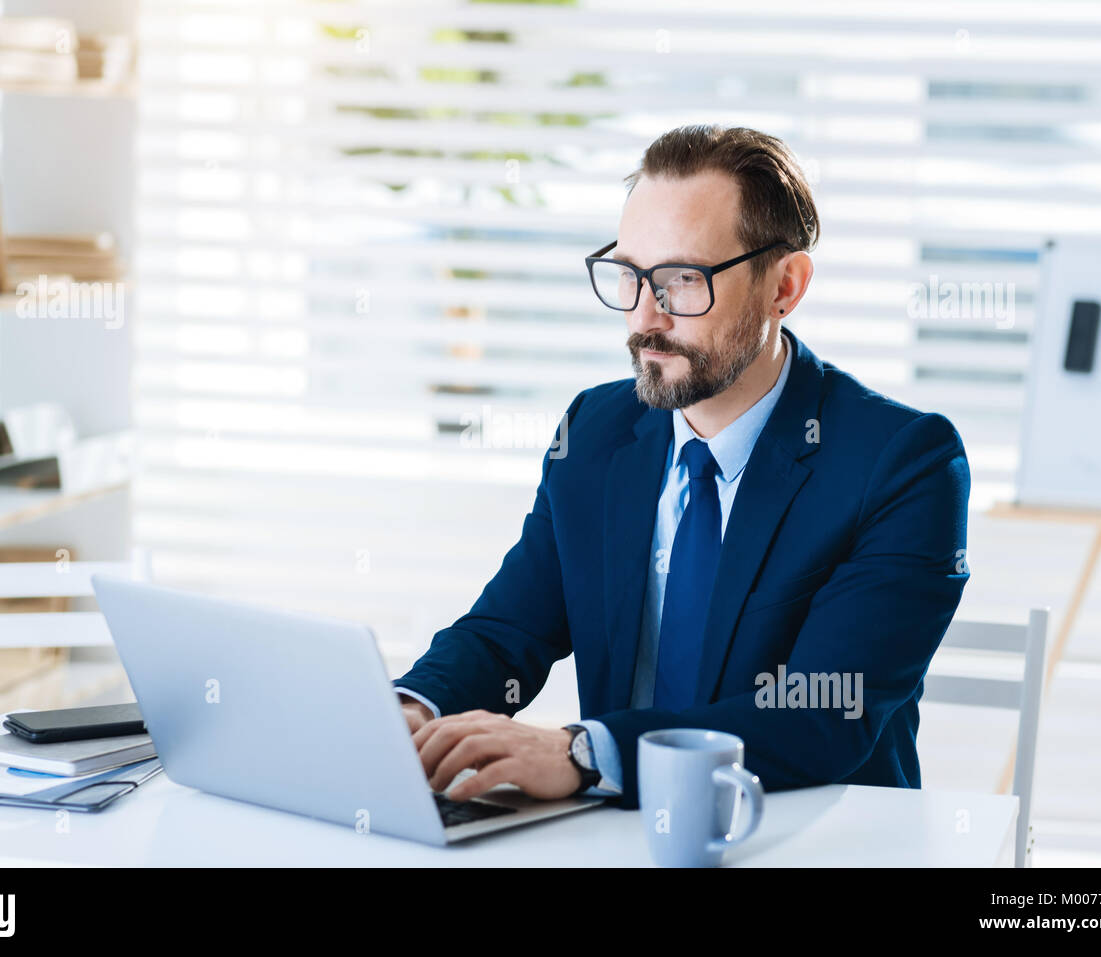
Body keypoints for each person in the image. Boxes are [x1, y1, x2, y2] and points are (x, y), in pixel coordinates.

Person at [394, 124, 970, 809]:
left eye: (680, 281)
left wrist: (582, 752)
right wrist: (411, 710)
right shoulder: (598, 432)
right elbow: (506, 632)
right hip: (613, 837)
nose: (645, 318)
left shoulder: (902, 462)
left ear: (784, 285)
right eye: (631, 276)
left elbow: (821, 717)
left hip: (806, 838)